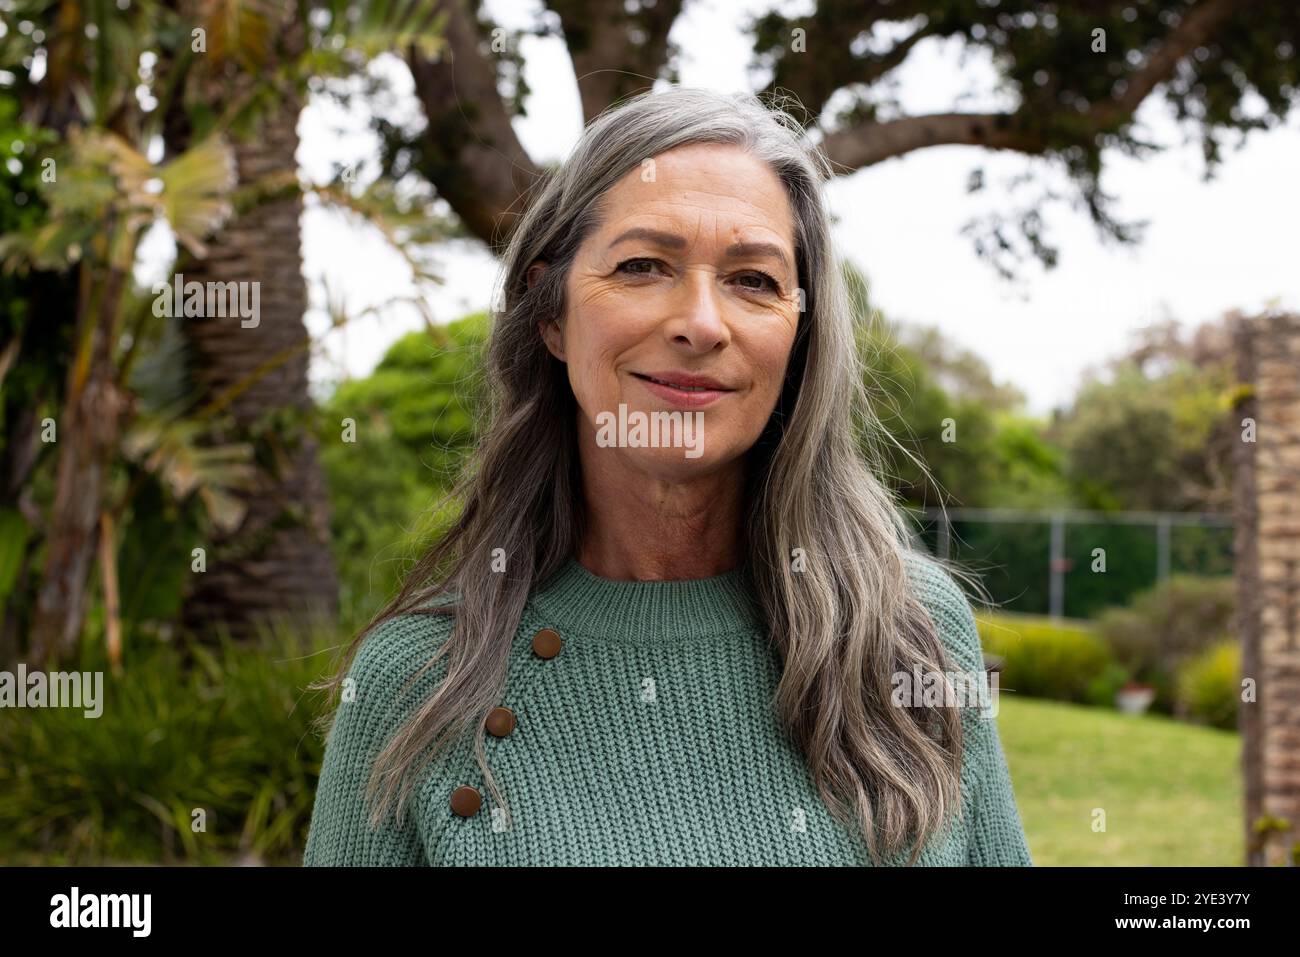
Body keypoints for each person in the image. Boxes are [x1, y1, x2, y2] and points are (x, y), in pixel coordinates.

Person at [303, 86, 1032, 867]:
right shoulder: (418, 683)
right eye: (644, 265)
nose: (702, 323)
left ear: (799, 332)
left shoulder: (910, 634)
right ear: (550, 313)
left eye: (753, 279)